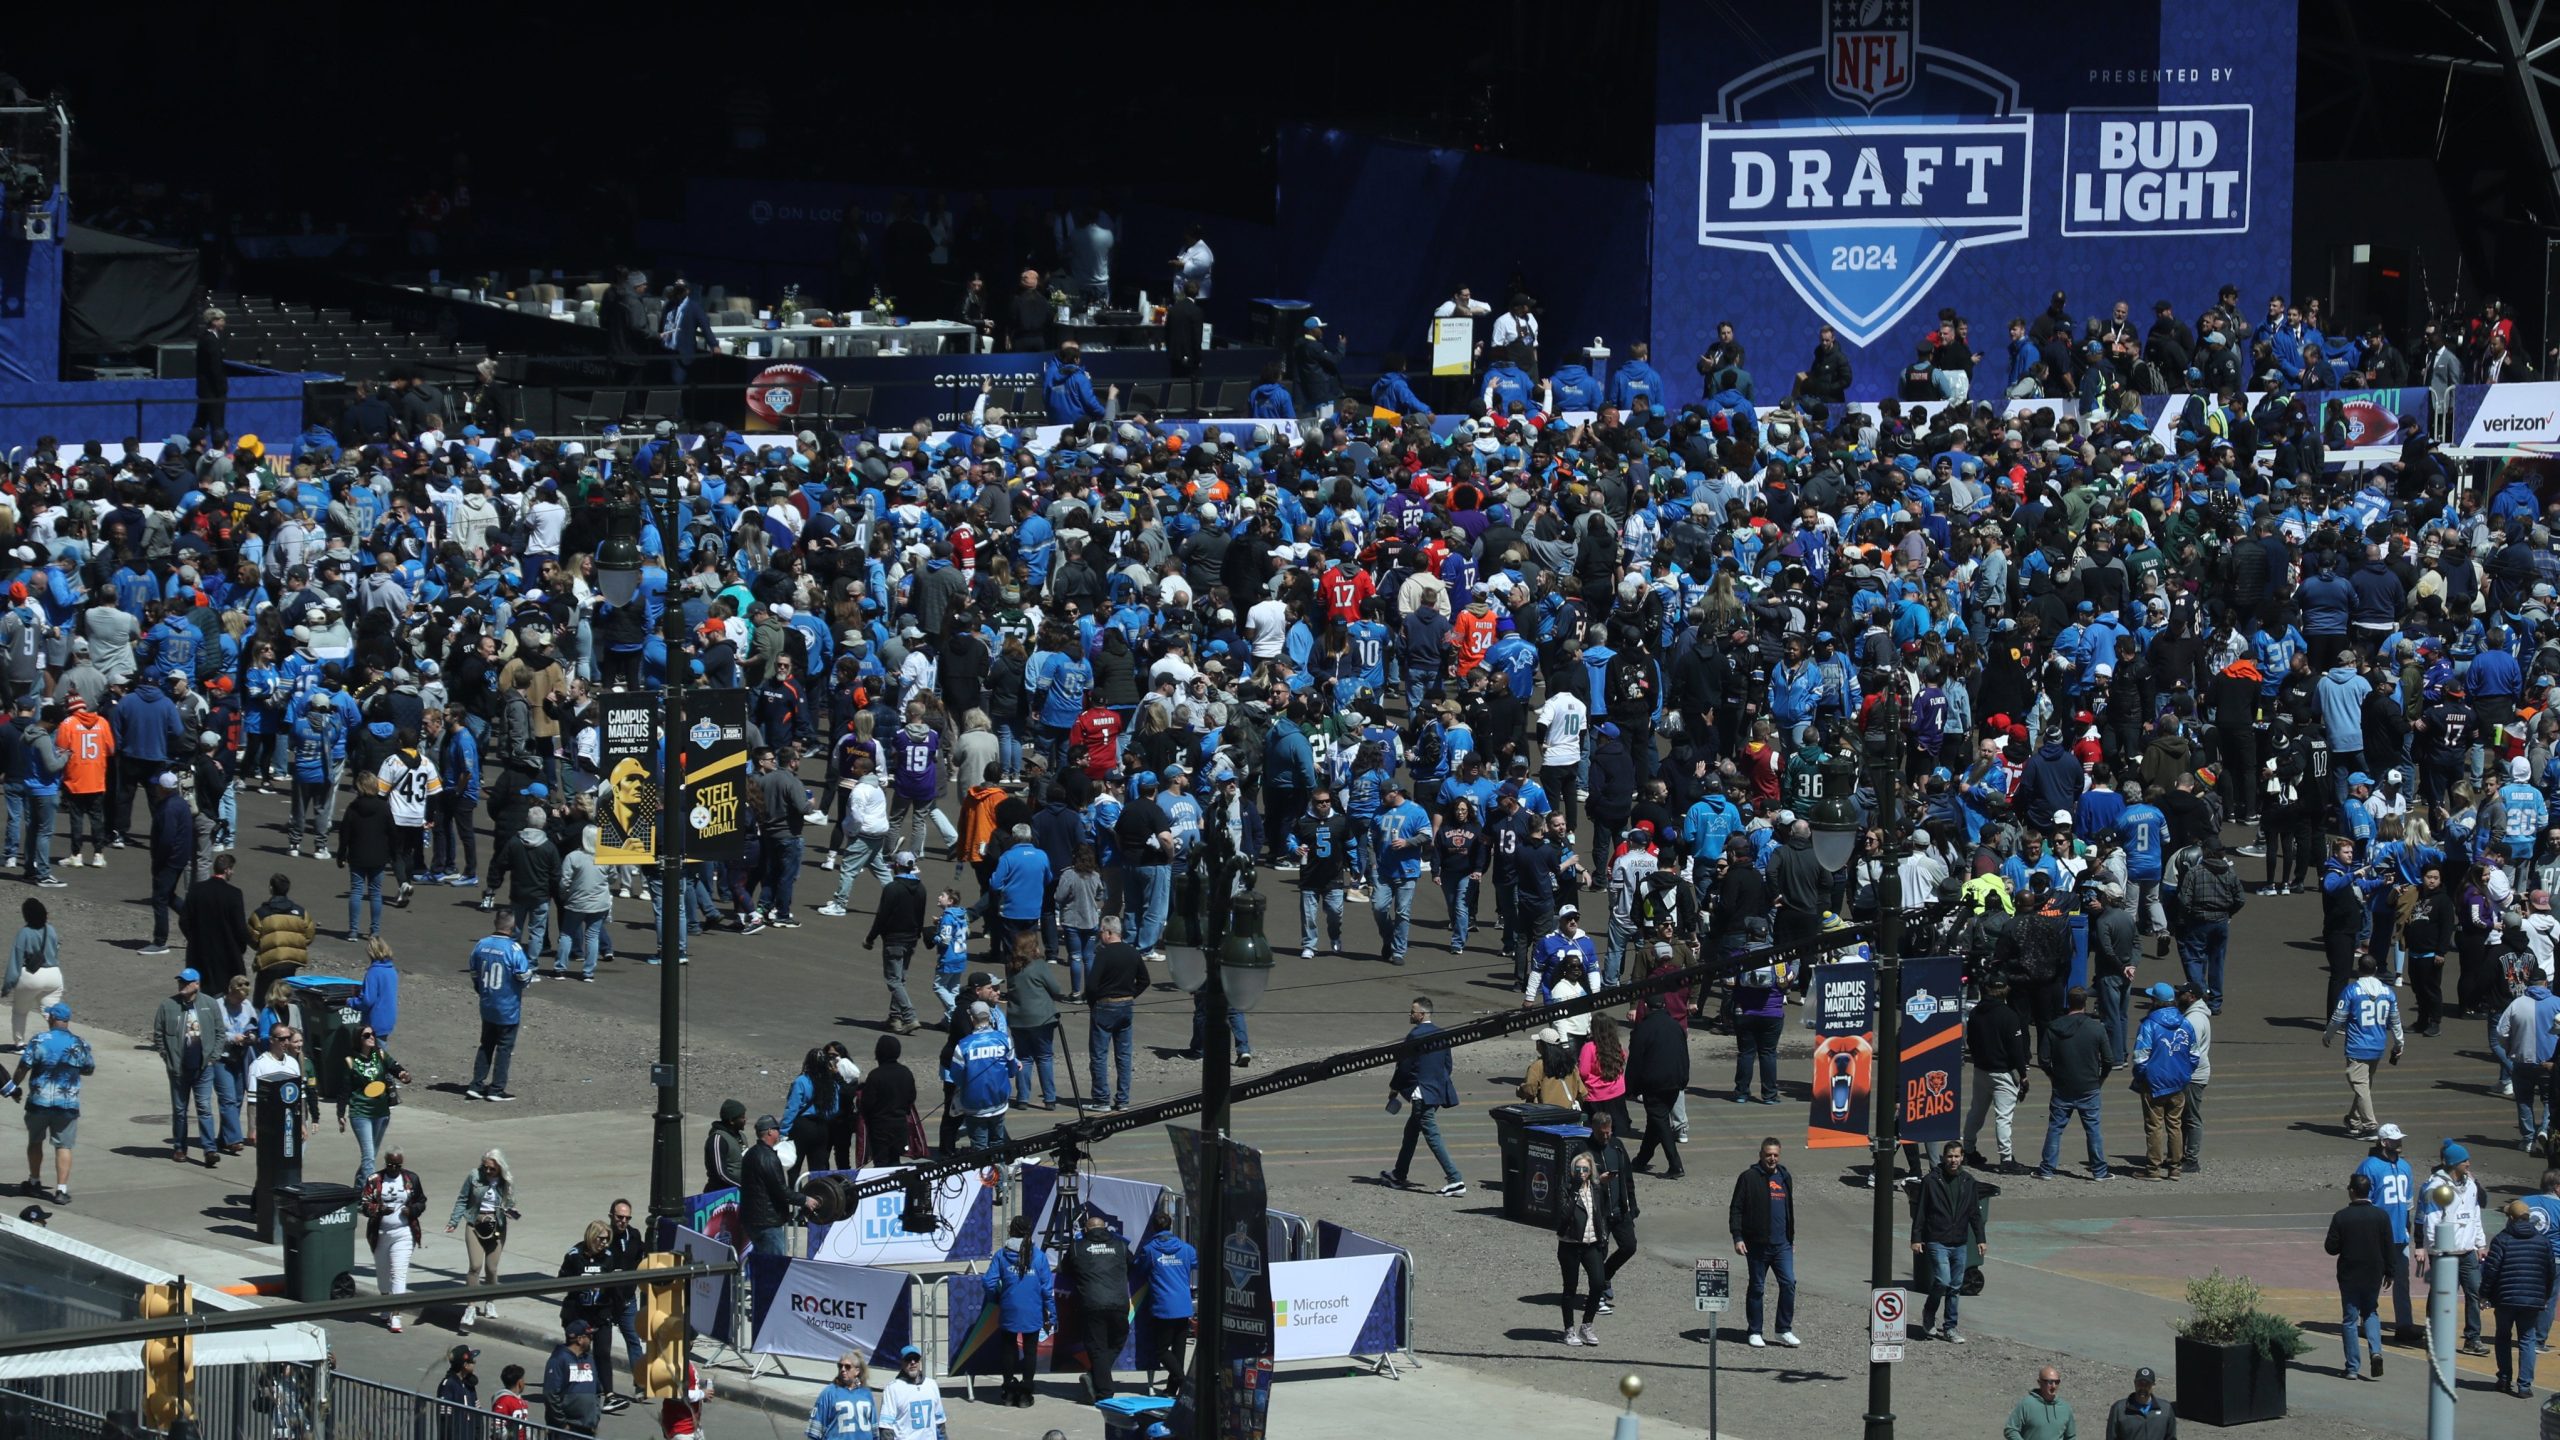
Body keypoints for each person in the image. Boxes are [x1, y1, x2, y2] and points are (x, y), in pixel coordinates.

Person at [1381, 997, 1464, 1195]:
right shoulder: (1442, 1034)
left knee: (1432, 1135)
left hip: (1422, 1094)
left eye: (1413, 1011)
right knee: (1411, 1132)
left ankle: (1455, 1179)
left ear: (1422, 1014)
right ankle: (1399, 1174)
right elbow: (1447, 1066)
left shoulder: (1414, 1035)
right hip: (1436, 1093)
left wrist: (1395, 1088)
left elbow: (1404, 1067)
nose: (1410, 1014)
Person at [2416, 1141, 2492, 1356]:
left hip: (2467, 1252)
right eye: (2464, 1160)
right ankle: (2433, 1334)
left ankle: (2472, 1339)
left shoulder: (2471, 1185)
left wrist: (2480, 1243)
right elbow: (2431, 1221)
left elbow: (2475, 1216)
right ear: (2453, 1163)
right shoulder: (2435, 1188)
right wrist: (2437, 1249)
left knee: (2474, 1293)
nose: (2469, 1163)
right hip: (2445, 1253)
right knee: (2440, 1294)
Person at [10, 1002, 90, 1203]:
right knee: (64, 1145)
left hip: (39, 1102)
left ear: (52, 1018)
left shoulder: (39, 1040)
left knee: (35, 1141)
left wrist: (13, 1087)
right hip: (67, 1104)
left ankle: (34, 1182)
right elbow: (89, 1068)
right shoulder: (79, 1043)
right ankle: (61, 1190)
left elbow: (23, 1066)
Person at [1728, 1136, 1800, 1348]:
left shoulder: (1785, 1176)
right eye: (1768, 1155)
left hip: (1782, 1245)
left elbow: (1788, 1210)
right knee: (1757, 1287)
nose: (1772, 1158)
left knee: (1789, 1283)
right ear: (1760, 1155)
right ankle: (1755, 1331)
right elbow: (1736, 1208)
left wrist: (1791, 1237)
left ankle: (1783, 1330)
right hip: (1757, 1244)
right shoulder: (1748, 1177)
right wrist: (1738, 1237)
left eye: (1775, 1155)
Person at [2036, 986, 2113, 1182]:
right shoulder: (2096, 1028)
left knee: (2055, 1128)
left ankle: (2046, 1169)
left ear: (2068, 1002)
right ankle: (2099, 1171)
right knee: (2093, 1129)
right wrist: (2101, 1078)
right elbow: (2108, 1059)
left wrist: (2052, 1076)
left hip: (2062, 1086)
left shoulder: (2054, 1027)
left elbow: (2043, 1059)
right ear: (2085, 1003)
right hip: (2089, 1086)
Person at [2325, 1170, 2397, 1380]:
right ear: (2369, 1191)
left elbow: (2331, 1248)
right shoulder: (2381, 1216)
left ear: (2352, 1191)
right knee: (2371, 1311)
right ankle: (2376, 1351)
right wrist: (2390, 1271)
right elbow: (2388, 1246)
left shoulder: (2341, 1216)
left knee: (2350, 1319)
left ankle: (2352, 1367)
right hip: (2373, 1272)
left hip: (2349, 1273)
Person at [2323, 954, 2404, 1137]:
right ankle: (2354, 1120)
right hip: (2377, 1046)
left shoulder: (2351, 991)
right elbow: (2395, 1020)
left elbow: (2338, 1017)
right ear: (2376, 970)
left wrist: (2328, 1035)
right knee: (2363, 1086)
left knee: (2360, 1086)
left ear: (2359, 969)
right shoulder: (2388, 992)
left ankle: (2370, 1126)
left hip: (2357, 1046)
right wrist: (2399, 1043)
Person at [1912, 1141, 1986, 1343]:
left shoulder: (1968, 1181)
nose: (1953, 1160)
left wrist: (1980, 1238)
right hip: (1937, 1240)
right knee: (1943, 1281)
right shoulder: (1931, 1181)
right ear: (1944, 1158)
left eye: (1957, 1156)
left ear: (1962, 1158)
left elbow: (1974, 1213)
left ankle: (1950, 1328)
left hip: (1959, 1242)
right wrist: (1916, 1238)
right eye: (1950, 1156)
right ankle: (1929, 1312)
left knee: (1955, 1286)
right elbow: (1921, 1211)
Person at [2485, 1198, 2558, 1397]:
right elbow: (2550, 1271)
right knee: (2527, 1339)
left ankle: (2504, 1378)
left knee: (2503, 1337)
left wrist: (2485, 1294)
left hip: (2505, 1298)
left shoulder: (2502, 1239)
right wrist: (2544, 1296)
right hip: (2532, 1299)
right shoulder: (2542, 1241)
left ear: (2510, 1218)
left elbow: (2491, 1271)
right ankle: (2525, 1385)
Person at [151, 967, 224, 1167]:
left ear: (197, 984)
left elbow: (220, 1032)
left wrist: (213, 1058)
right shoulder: (168, 1006)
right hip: (178, 1069)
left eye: (186, 982)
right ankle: (179, 1148)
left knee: (204, 1108)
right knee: (180, 1110)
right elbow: (158, 1035)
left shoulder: (209, 1004)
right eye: (180, 981)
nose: (181, 985)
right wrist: (167, 1057)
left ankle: (210, 1150)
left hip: (203, 1067)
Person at [1058, 1209, 1133, 1400]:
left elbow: (1065, 1270)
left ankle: (1102, 1387)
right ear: (1105, 1228)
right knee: (1116, 1342)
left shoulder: (1077, 1247)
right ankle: (1102, 1386)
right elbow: (1133, 1266)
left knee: (1098, 1348)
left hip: (1091, 1303)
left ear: (1085, 1230)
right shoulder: (1120, 1245)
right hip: (1118, 1302)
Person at [983, 1214, 1054, 1408]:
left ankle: (1008, 1392)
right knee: (1030, 1351)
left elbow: (988, 1282)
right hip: (1033, 1309)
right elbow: (1047, 1289)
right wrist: (1052, 1314)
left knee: (1008, 1349)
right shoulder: (1038, 1256)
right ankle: (1025, 1394)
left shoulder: (1001, 1255)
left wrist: (995, 1298)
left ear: (1010, 1231)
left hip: (1009, 1308)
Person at [2128, 983, 2196, 1180]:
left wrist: (2142, 1078)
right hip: (2178, 1083)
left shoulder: (2149, 1025)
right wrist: (2184, 1074)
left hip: (2154, 1084)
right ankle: (2175, 1168)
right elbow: (2194, 1055)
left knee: (2154, 1126)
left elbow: (2140, 1057)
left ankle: (2153, 1169)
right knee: (2175, 1124)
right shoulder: (2185, 1023)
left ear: (2155, 1001)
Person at [445, 1148, 518, 1332]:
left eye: (492, 1169)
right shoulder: (474, 1176)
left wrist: (510, 1210)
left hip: (496, 1227)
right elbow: (462, 1199)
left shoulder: (506, 1181)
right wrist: (454, 1221)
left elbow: (510, 1202)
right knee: (475, 1266)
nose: (488, 1171)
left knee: (491, 1268)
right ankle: (470, 1306)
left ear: (500, 1167)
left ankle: (490, 1301)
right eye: (485, 1167)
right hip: (474, 1224)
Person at [1965, 981, 2031, 1173]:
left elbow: (1970, 1040)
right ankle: (2006, 1159)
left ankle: (1968, 1150)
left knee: (1976, 1111)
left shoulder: (1975, 1012)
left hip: (1981, 1069)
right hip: (2003, 1072)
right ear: (2005, 992)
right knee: (2003, 1117)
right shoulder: (2008, 1015)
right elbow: (2016, 1049)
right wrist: (2023, 1074)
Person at [1625, 983, 1691, 1177]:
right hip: (1675, 1082)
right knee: (1655, 1122)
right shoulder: (1675, 1026)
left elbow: (1635, 1062)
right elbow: (1684, 1056)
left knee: (1659, 1121)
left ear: (1646, 1006)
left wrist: (1630, 1088)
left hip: (1653, 1085)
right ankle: (1641, 1160)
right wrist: (1683, 1079)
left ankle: (1675, 1165)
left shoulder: (1643, 1029)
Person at [1580, 1108, 1642, 1315]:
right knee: (1599, 1254)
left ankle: (1605, 1276)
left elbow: (1627, 1177)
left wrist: (1632, 1204)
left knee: (1629, 1246)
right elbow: (1576, 1182)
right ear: (1594, 1129)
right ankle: (1596, 1296)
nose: (1606, 1136)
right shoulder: (1584, 1151)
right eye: (1602, 1133)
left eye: (1609, 1132)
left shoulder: (1617, 1146)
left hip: (1620, 1209)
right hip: (1598, 1213)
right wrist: (1598, 1180)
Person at [336, 1023, 412, 1187]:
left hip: (381, 1113)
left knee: (370, 1156)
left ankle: (359, 1189)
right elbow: (344, 1090)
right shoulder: (350, 1061)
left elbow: (396, 1068)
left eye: (372, 1034)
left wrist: (404, 1075)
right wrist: (340, 1114)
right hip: (361, 1113)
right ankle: (372, 1194)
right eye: (366, 1035)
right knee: (369, 1156)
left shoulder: (380, 1054)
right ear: (358, 1039)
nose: (371, 1037)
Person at [467, 912, 532, 1103]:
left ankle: (476, 1085)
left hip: (487, 1004)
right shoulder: (514, 948)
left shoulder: (481, 944)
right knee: (504, 1048)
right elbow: (523, 975)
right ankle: (496, 1089)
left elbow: (473, 971)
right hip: (508, 1007)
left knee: (486, 1044)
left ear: (495, 923)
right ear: (512, 928)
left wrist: (480, 989)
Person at [361, 1146, 426, 1332]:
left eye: (397, 1165)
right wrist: (379, 1209)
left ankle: (396, 1315)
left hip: (404, 1233)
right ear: (385, 1162)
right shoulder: (374, 1180)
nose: (394, 1169)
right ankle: (385, 1303)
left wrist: (412, 1210)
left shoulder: (411, 1179)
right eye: (390, 1165)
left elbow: (421, 1201)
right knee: (383, 1274)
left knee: (398, 1273)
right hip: (380, 1234)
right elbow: (364, 1205)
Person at [1555, 1146, 1614, 1347]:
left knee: (1598, 1284)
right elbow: (1563, 1217)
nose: (1581, 1173)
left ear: (1590, 1171)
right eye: (1578, 1169)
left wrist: (1603, 1238)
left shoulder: (1596, 1189)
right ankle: (1569, 1330)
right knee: (1570, 1288)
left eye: (1585, 1169)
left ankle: (1587, 1326)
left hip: (1592, 1244)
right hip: (1570, 1245)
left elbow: (1602, 1214)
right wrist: (1574, 1191)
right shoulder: (1565, 1188)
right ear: (1572, 1171)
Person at [1084, 917, 1144, 1113]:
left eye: (1101, 932)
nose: (1100, 935)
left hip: (1105, 1005)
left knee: (1099, 1055)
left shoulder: (1103, 954)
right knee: (1124, 1055)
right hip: (1126, 1005)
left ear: (1108, 933)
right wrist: (1131, 994)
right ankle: (1123, 1099)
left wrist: (1092, 1003)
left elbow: (1092, 985)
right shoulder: (1133, 952)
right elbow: (1145, 980)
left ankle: (1101, 1099)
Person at [865, 851, 928, 1035]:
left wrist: (871, 937)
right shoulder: (921, 888)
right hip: (911, 939)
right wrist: (917, 935)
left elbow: (882, 916)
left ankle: (909, 1016)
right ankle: (895, 1017)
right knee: (900, 980)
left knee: (894, 980)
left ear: (897, 866)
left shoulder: (892, 888)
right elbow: (920, 915)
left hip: (894, 940)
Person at [1137, 1207, 1197, 1396]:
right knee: (1179, 1351)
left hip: (1163, 1306)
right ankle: (1172, 1389)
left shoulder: (1149, 1250)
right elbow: (1196, 1263)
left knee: (1160, 1350)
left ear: (1153, 1228)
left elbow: (1139, 1270)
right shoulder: (1186, 1249)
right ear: (1170, 1226)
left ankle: (1182, 1381)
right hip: (1183, 1305)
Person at [854, 1036, 920, 1166]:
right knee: (895, 1160)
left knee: (881, 1163)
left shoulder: (875, 1075)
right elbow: (911, 1097)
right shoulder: (905, 1072)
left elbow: (867, 1103)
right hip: (900, 1124)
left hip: (879, 1127)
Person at [6, 898, 62, 1049]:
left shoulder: (24, 932)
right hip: (54, 974)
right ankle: (61, 1043)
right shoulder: (51, 929)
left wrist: (8, 985)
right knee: (51, 1013)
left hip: (31, 976)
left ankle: (19, 1045)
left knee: (20, 1012)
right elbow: (56, 950)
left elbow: (15, 960)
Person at [740, 1116, 795, 1257]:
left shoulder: (750, 1153)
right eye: (777, 1129)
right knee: (774, 1264)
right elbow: (781, 1190)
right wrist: (805, 1200)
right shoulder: (769, 1158)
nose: (779, 1132)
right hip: (767, 1223)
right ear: (770, 1131)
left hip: (752, 1220)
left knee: (760, 1262)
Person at [543, 1321, 603, 1437]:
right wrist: (562, 1425)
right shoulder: (558, 1359)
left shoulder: (589, 1359)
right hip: (566, 1429)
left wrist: (595, 1418)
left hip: (587, 1428)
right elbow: (550, 1395)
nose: (591, 1339)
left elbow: (597, 1391)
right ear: (580, 1339)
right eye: (589, 1336)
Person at [807, 1353, 881, 1440]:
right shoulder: (829, 1393)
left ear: (857, 1371)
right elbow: (815, 1431)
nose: (843, 1369)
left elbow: (874, 1431)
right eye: (840, 1366)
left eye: (847, 1367)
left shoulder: (866, 1393)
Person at [878, 1346, 946, 1440]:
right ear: (902, 1362)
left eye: (916, 1359)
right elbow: (886, 1426)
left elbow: (939, 1422)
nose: (912, 1362)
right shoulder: (892, 1389)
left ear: (920, 1361)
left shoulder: (931, 1385)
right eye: (908, 1359)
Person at [2101, 1366, 2173, 1440]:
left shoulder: (2166, 1409)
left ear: (2153, 1386)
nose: (2143, 1388)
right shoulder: (2119, 1409)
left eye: (2147, 1385)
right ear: (2134, 1384)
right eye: (2140, 1384)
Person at [2002, 1367, 2073, 1440]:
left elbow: (2071, 1437)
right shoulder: (2026, 1404)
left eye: (2057, 1382)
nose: (2054, 1386)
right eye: (2050, 1382)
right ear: (2040, 1382)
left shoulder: (2065, 1408)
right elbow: (2010, 1430)